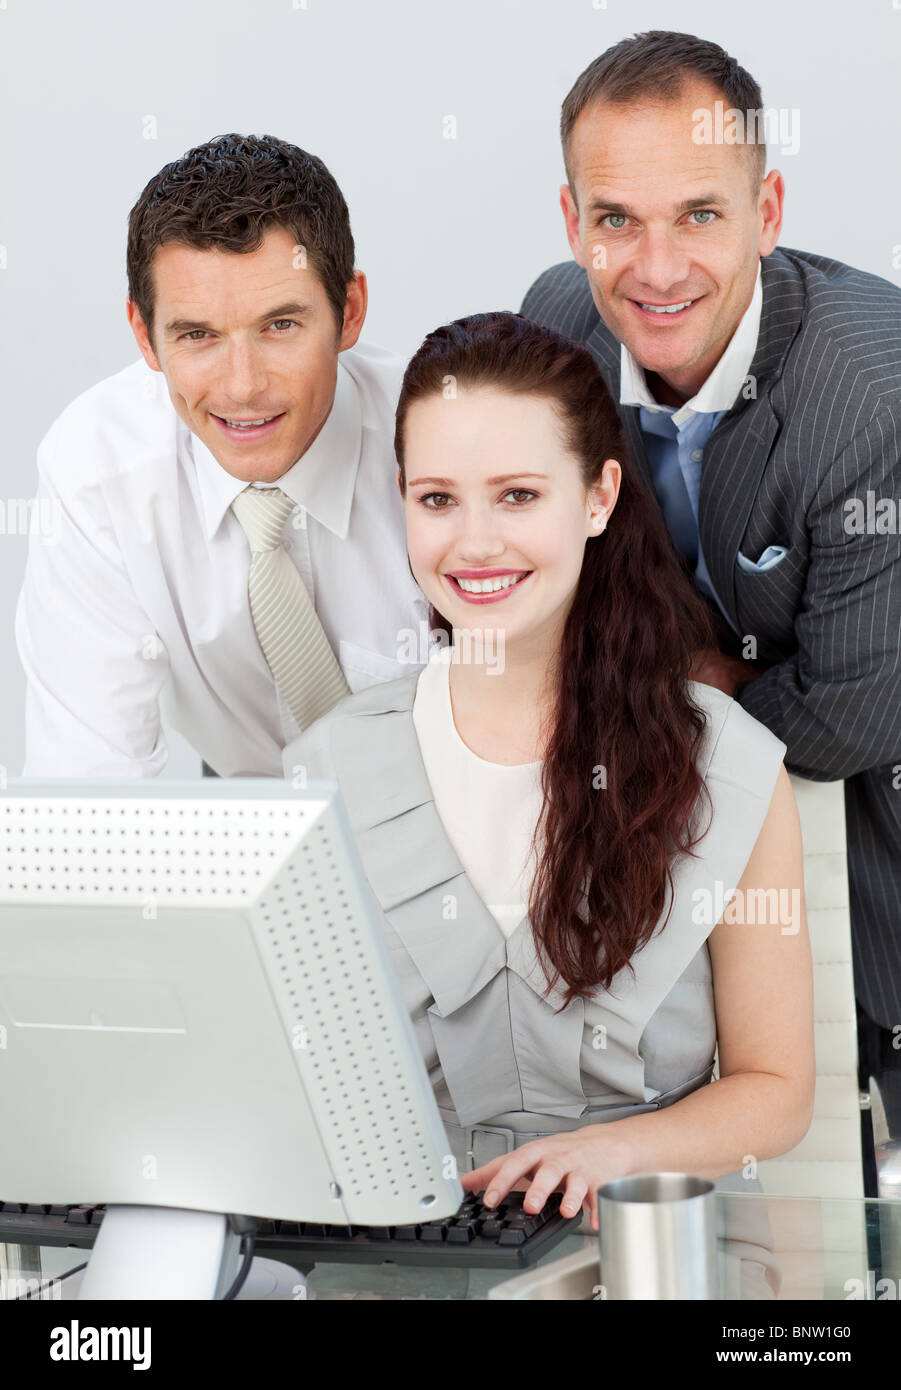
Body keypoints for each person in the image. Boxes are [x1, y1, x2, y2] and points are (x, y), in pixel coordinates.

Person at [282, 311, 815, 1232]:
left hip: (652, 1247)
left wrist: (613, 1154)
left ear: (599, 497)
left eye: (519, 495)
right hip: (403, 1264)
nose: (474, 543)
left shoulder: (725, 762)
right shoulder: (326, 769)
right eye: (437, 500)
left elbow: (776, 1091)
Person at [519, 31, 901, 1148]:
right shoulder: (556, 327)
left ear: (767, 209)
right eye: (616, 219)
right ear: (571, 219)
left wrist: (651, 686)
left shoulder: (873, 390)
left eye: (698, 212)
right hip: (664, 870)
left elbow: (848, 714)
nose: (656, 265)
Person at [15, 132, 427, 778]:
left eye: (280, 326)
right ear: (144, 338)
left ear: (349, 312)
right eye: (197, 336)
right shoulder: (96, 472)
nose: (241, 386)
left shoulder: (438, 442)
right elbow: (92, 794)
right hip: (250, 844)